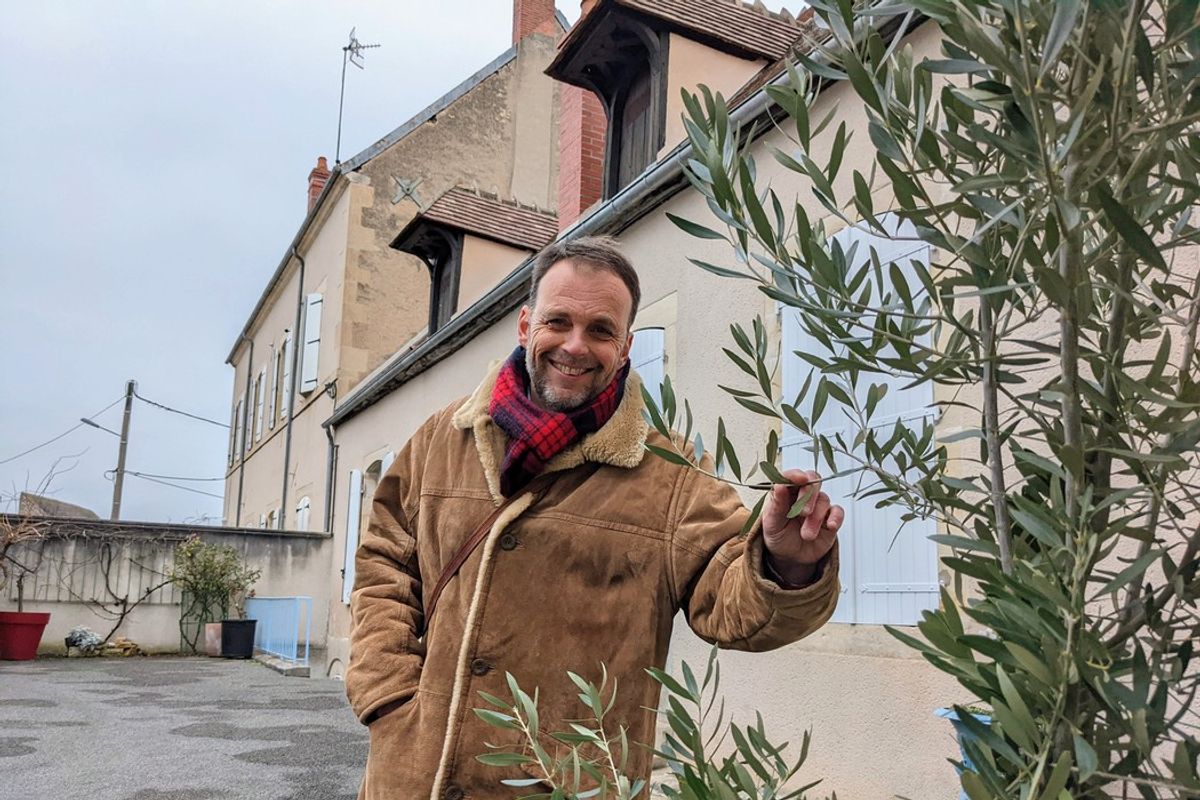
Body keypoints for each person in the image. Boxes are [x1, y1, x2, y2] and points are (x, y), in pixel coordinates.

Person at [347, 236, 843, 800]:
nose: (575, 346)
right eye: (558, 322)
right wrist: (387, 692)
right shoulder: (443, 437)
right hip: (414, 773)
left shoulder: (672, 474)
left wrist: (785, 566)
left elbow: (726, 605)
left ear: (626, 345)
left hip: (570, 783)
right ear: (525, 325)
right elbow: (384, 560)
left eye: (601, 330)